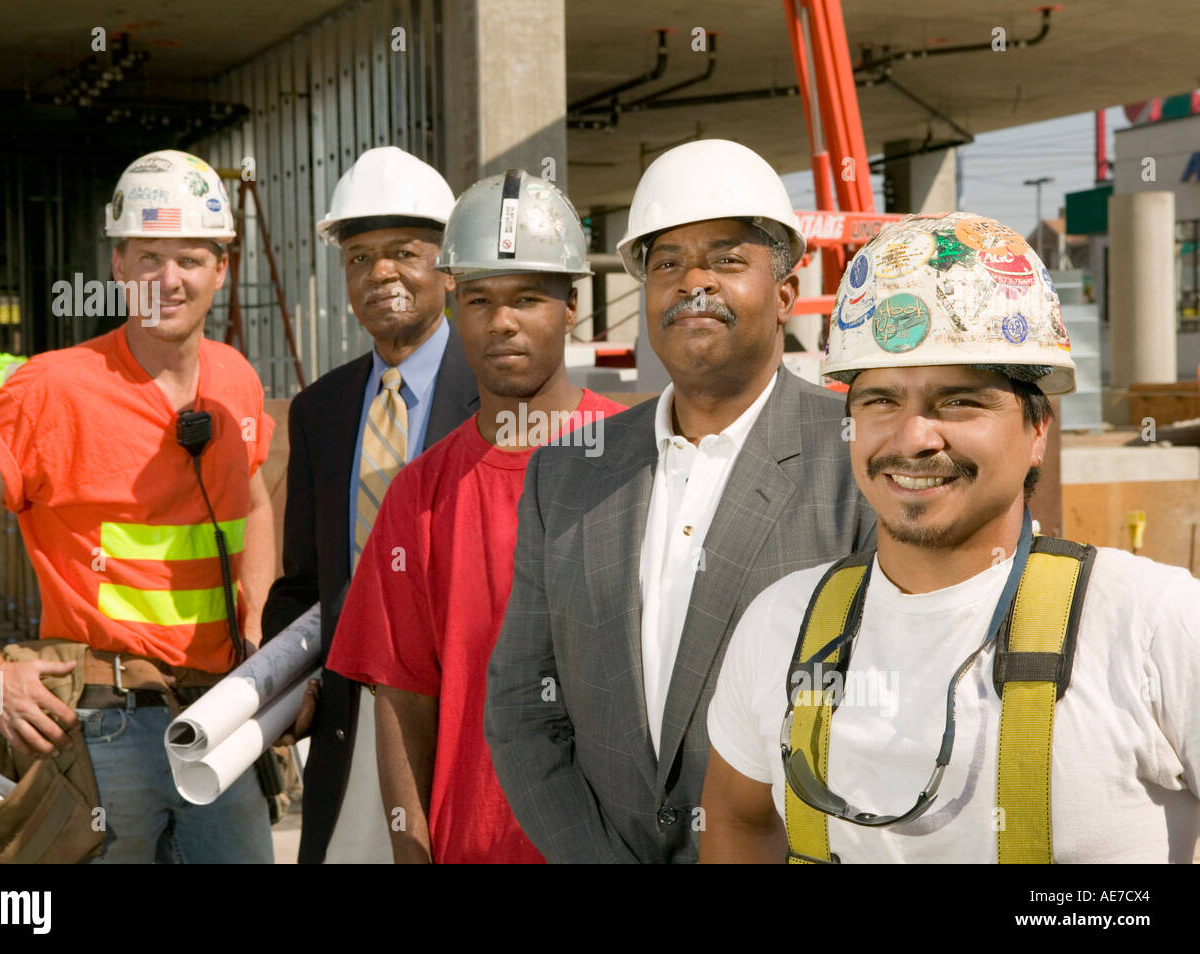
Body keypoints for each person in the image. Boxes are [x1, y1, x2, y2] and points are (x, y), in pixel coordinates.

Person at [701, 211, 1200, 863]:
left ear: (1038, 428)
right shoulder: (782, 626)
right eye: (880, 401)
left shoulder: (1153, 623)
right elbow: (737, 822)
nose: (913, 438)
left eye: (959, 401)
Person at [485, 139, 877, 864]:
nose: (694, 282)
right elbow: (522, 708)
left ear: (785, 293)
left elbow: (892, 710)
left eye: (727, 260)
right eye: (667, 263)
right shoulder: (567, 476)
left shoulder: (857, 458)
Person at [0, 149, 276, 863]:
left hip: (219, 721)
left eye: (191, 259)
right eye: (149, 258)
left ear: (222, 270)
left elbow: (255, 503)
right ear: (118, 267)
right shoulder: (51, 391)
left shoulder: (237, 380)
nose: (170, 280)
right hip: (105, 730)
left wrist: (257, 623)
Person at [327, 171, 626, 863]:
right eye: (480, 300)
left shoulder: (640, 460)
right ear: (455, 308)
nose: (502, 323)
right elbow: (402, 699)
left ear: (571, 306)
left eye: (527, 298)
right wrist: (411, 849)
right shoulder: (418, 496)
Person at [260, 146, 479, 864]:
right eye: (359, 258)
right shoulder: (321, 409)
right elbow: (302, 582)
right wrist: (288, 688)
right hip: (351, 722)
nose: (380, 273)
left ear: (446, 267)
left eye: (403, 253)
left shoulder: (502, 392)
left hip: (469, 730)